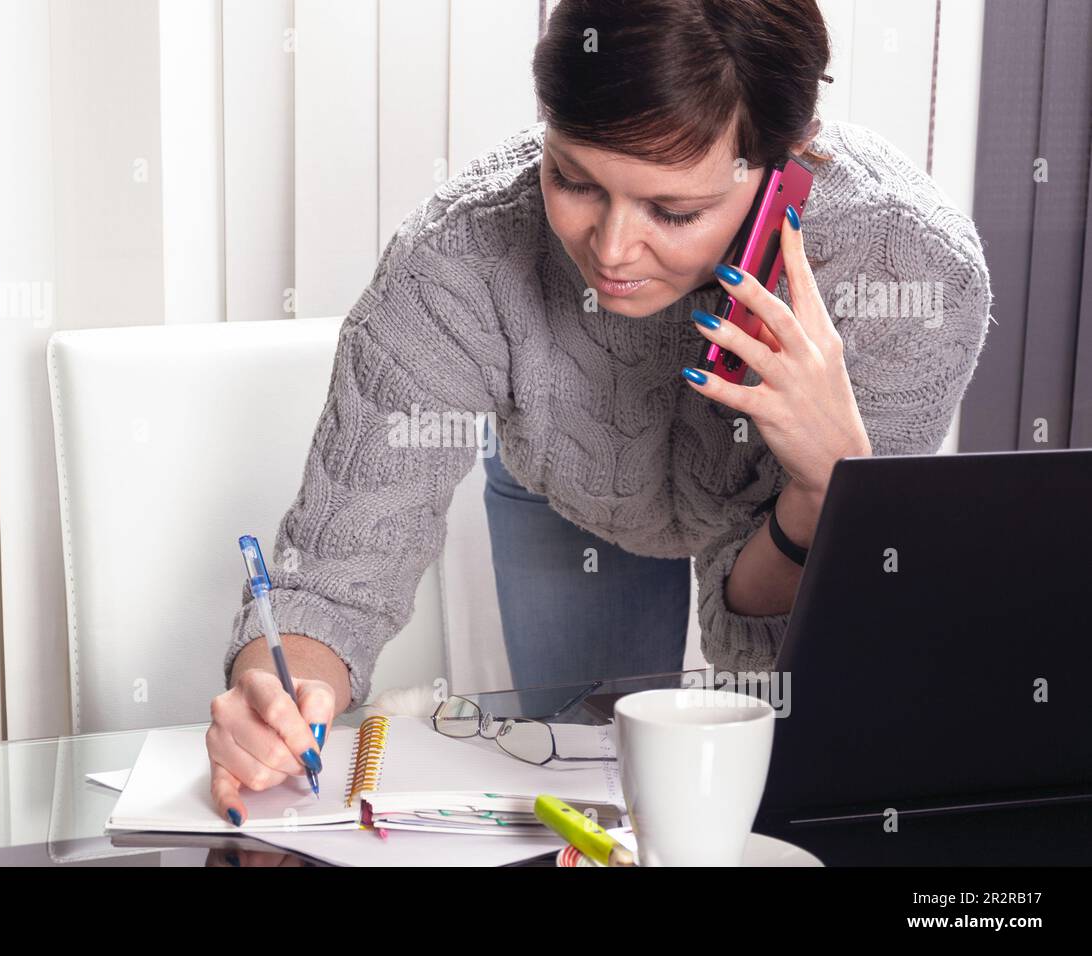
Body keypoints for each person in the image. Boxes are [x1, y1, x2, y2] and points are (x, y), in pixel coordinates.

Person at [204, 0, 993, 824]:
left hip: (779, 524)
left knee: (770, 794)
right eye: (574, 179)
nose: (612, 252)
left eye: (675, 211)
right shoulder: (457, 260)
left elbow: (765, 666)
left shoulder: (913, 281)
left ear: (784, 169)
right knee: (588, 791)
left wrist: (829, 489)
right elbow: (334, 579)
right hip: (571, 481)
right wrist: (276, 690)